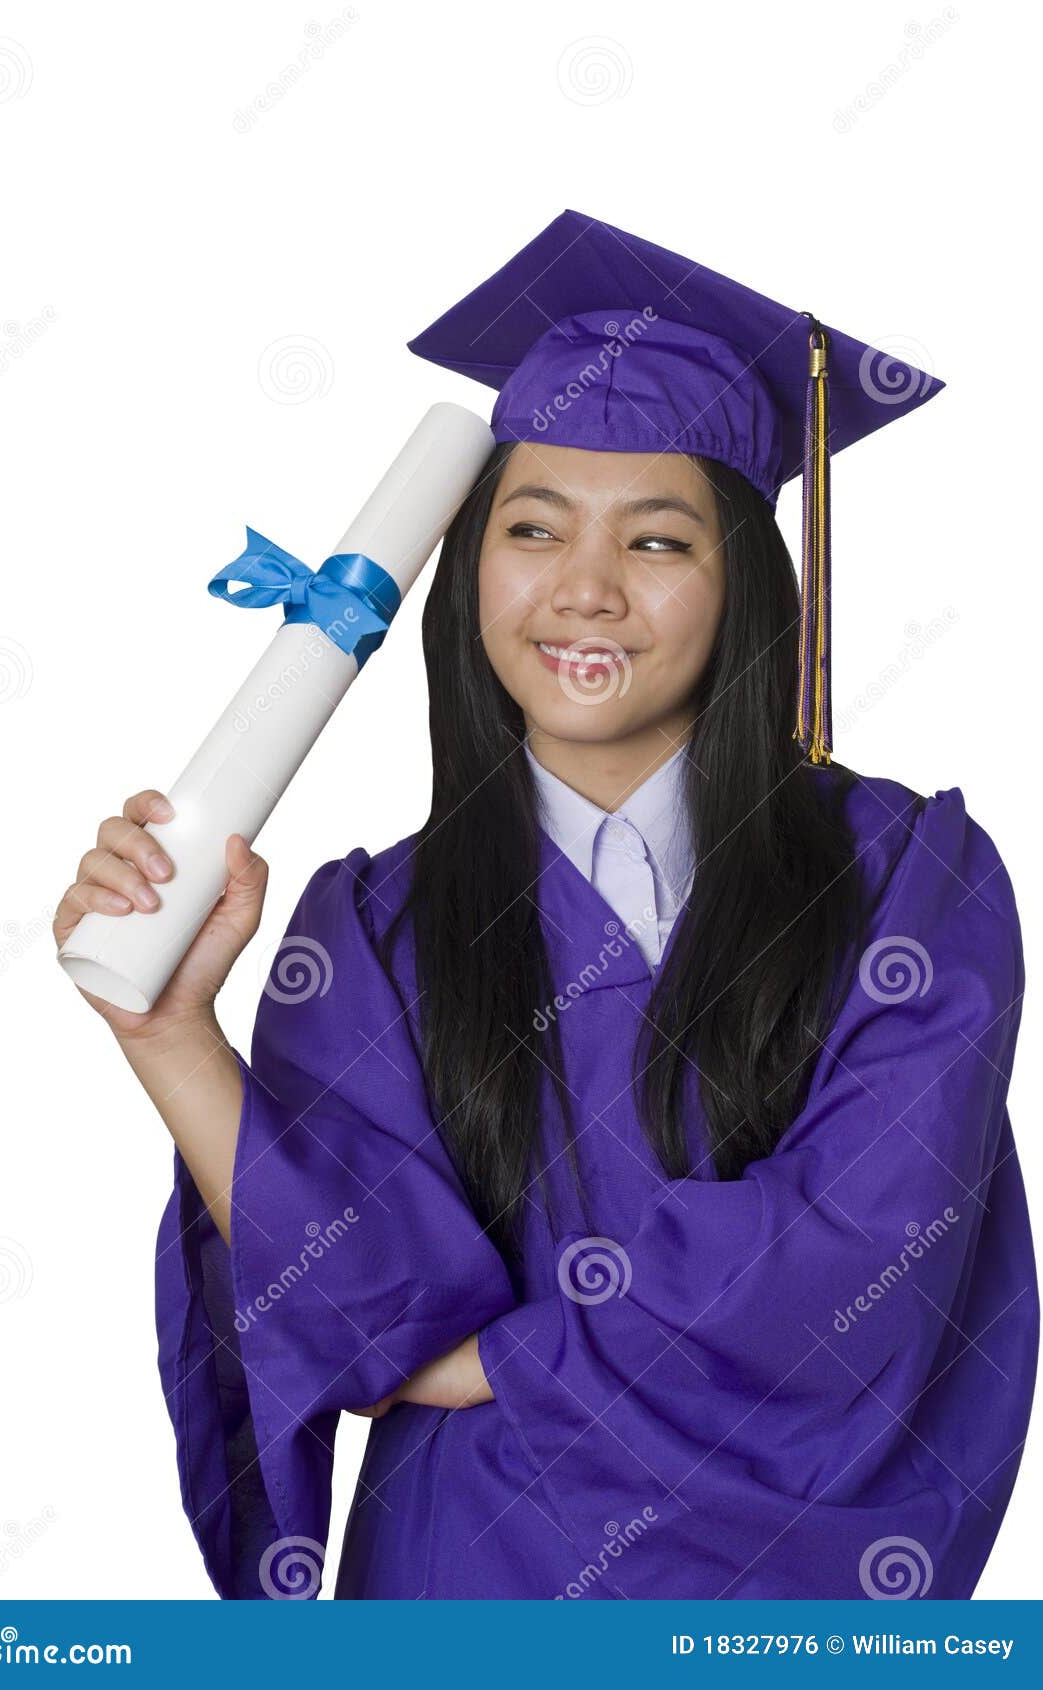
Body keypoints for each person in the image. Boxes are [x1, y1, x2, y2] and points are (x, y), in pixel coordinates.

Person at [54, 212, 1036, 1600]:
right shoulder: (375, 926)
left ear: (747, 587)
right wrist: (167, 1033)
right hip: (458, 1591)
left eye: (659, 541)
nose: (585, 589)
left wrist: (496, 1358)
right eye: (532, 527)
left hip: (778, 1612)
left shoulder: (908, 884)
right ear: (469, 570)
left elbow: (852, 1259)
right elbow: (348, 1299)